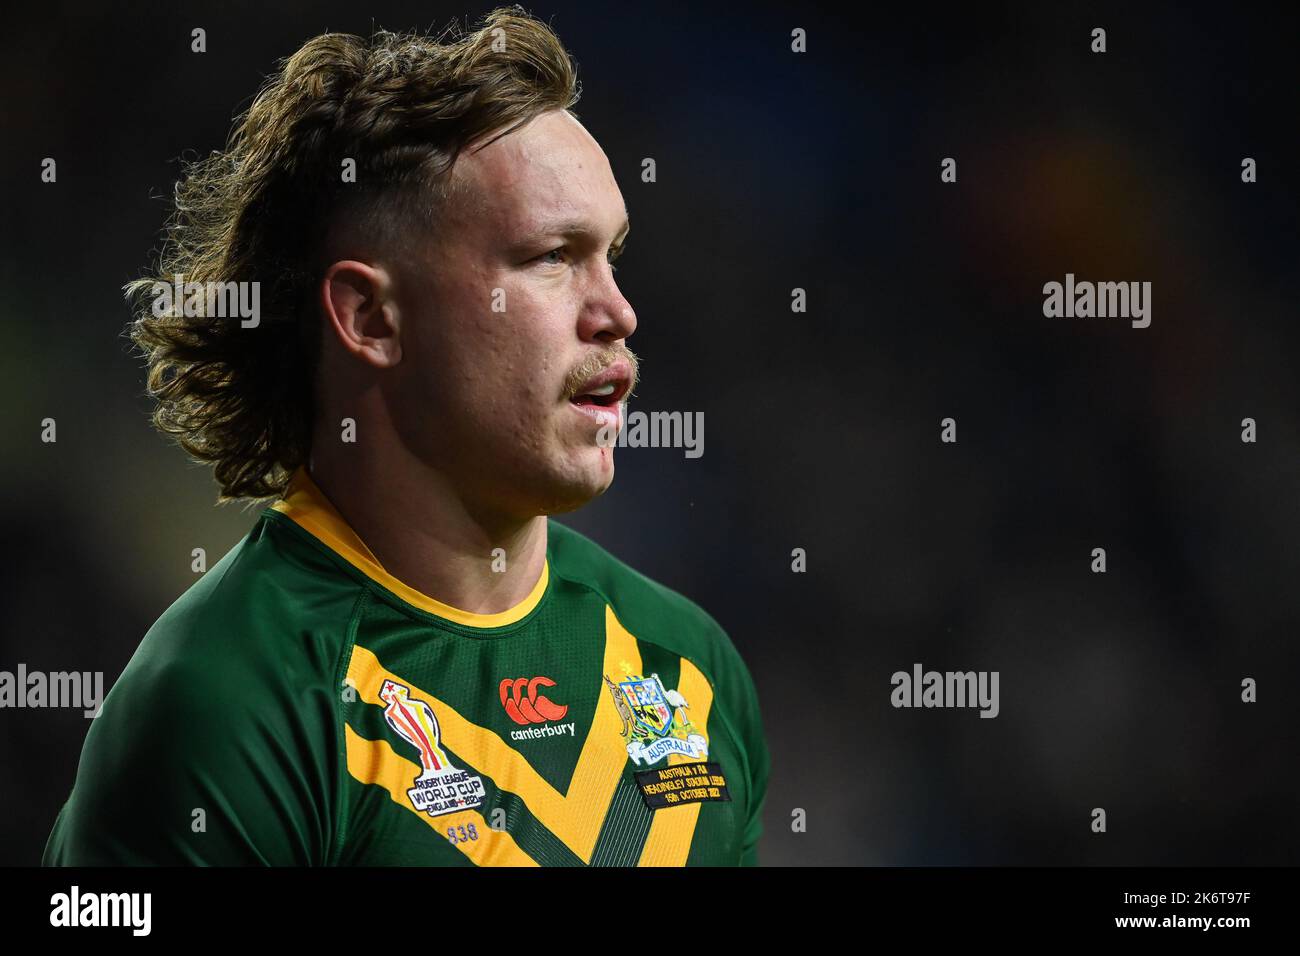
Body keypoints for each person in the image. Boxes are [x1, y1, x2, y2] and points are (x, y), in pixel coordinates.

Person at [43, 6, 768, 866]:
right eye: (551, 257)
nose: (617, 311)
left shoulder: (687, 667)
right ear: (370, 317)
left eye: (612, 255)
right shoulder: (230, 700)